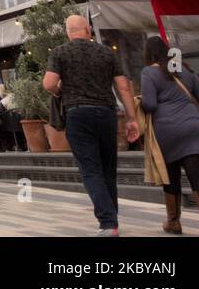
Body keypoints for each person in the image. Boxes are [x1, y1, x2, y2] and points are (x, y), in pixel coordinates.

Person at [43, 14, 141, 236]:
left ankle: (108, 223)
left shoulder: (60, 52)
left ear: (68, 32)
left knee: (90, 170)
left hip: (78, 113)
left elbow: (48, 83)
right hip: (106, 113)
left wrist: (61, 91)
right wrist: (131, 118)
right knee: (108, 169)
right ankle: (111, 218)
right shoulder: (106, 52)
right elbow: (123, 87)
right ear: (87, 30)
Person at [140, 36, 199, 237]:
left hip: (167, 131)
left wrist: (140, 102)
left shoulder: (149, 72)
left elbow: (150, 104)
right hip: (193, 128)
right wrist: (194, 119)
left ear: (149, 54)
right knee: (198, 176)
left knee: (171, 177)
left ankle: (174, 222)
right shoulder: (187, 71)